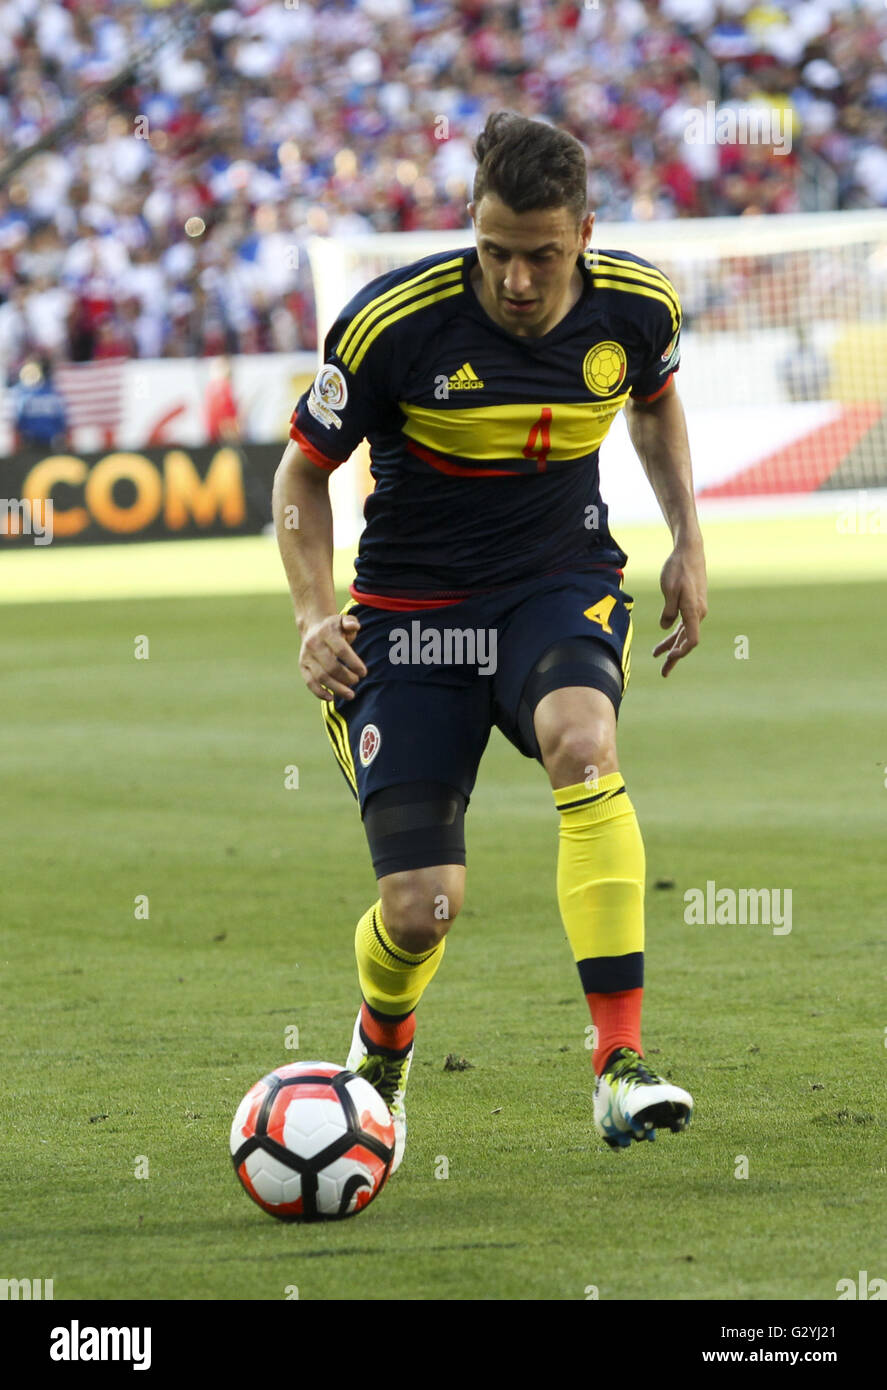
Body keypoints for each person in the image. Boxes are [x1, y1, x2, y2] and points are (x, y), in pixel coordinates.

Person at [273, 112, 708, 1170]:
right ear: (471, 226)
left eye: (541, 254)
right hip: (410, 620)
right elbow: (298, 476)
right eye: (495, 250)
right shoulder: (390, 324)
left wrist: (688, 541)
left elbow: (652, 407)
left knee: (580, 740)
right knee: (423, 909)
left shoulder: (636, 306)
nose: (515, 278)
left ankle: (619, 1065)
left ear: (584, 233)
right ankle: (379, 1056)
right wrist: (310, 613)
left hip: (553, 586)